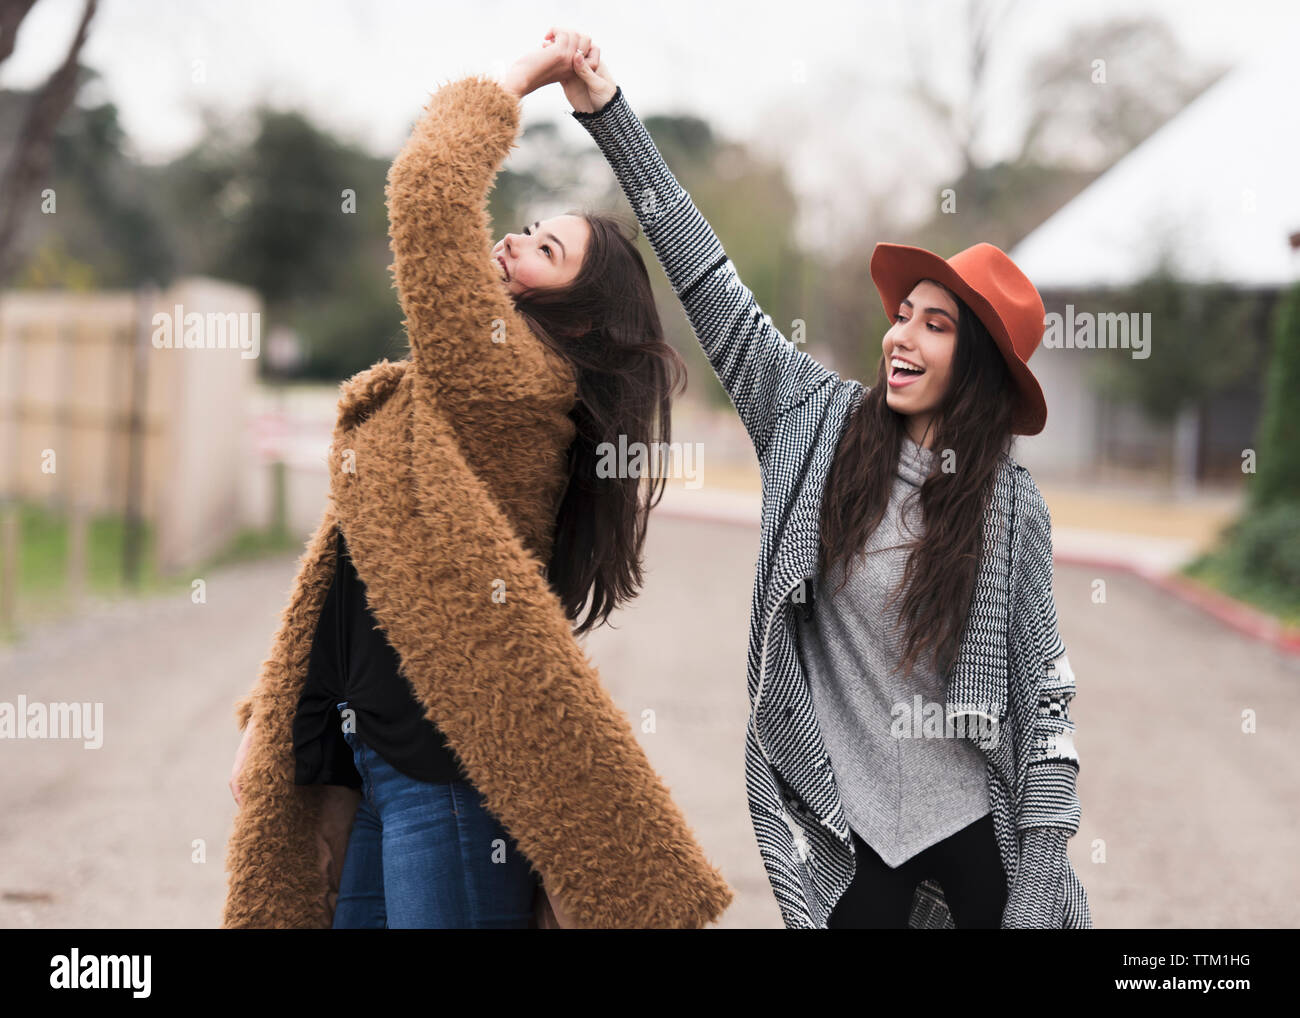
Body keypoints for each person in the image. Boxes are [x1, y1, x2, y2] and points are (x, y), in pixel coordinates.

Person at [556, 29, 1091, 929]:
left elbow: (1042, 697)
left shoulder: (1005, 504)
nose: (902, 338)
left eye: (937, 327)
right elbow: (705, 277)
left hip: (976, 827)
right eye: (902, 316)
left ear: (982, 369)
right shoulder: (813, 423)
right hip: (853, 834)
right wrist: (607, 113)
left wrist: (1039, 877)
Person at [224, 31, 733, 930]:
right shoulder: (461, 393)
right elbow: (348, 565)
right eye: (530, 229)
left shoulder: (512, 380)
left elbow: (428, 192)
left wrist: (521, 81)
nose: (511, 242)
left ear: (576, 321)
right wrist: (275, 717)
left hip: (444, 776)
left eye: (544, 249)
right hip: (384, 762)